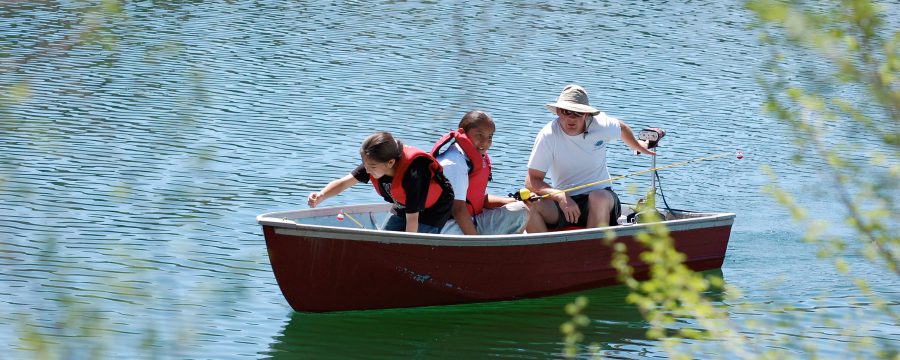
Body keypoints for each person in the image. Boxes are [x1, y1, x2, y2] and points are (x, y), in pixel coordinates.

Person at [525, 84, 655, 232]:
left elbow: (622, 128)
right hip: (564, 203)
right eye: (566, 112)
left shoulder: (601, 125)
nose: (571, 118)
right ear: (558, 112)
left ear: (586, 114)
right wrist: (560, 196)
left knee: (597, 197)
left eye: (578, 113)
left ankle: (593, 251)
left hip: (603, 199)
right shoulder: (548, 135)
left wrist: (637, 146)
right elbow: (532, 180)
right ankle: (547, 252)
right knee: (528, 204)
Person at [307, 131, 454, 233]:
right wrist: (321, 195)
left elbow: (412, 222)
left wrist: (408, 248)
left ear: (390, 162)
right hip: (403, 205)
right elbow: (344, 182)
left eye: (371, 167)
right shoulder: (373, 162)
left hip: (434, 208)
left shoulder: (413, 174)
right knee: (385, 239)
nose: (367, 170)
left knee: (415, 244)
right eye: (365, 165)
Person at [431, 110, 533, 235]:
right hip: (449, 227)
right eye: (479, 135)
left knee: (517, 206)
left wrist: (511, 201)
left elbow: (477, 200)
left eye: (490, 136)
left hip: (465, 219)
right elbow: (458, 210)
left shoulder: (467, 157)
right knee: (521, 212)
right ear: (463, 133)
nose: (485, 142)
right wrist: (475, 244)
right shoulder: (455, 162)